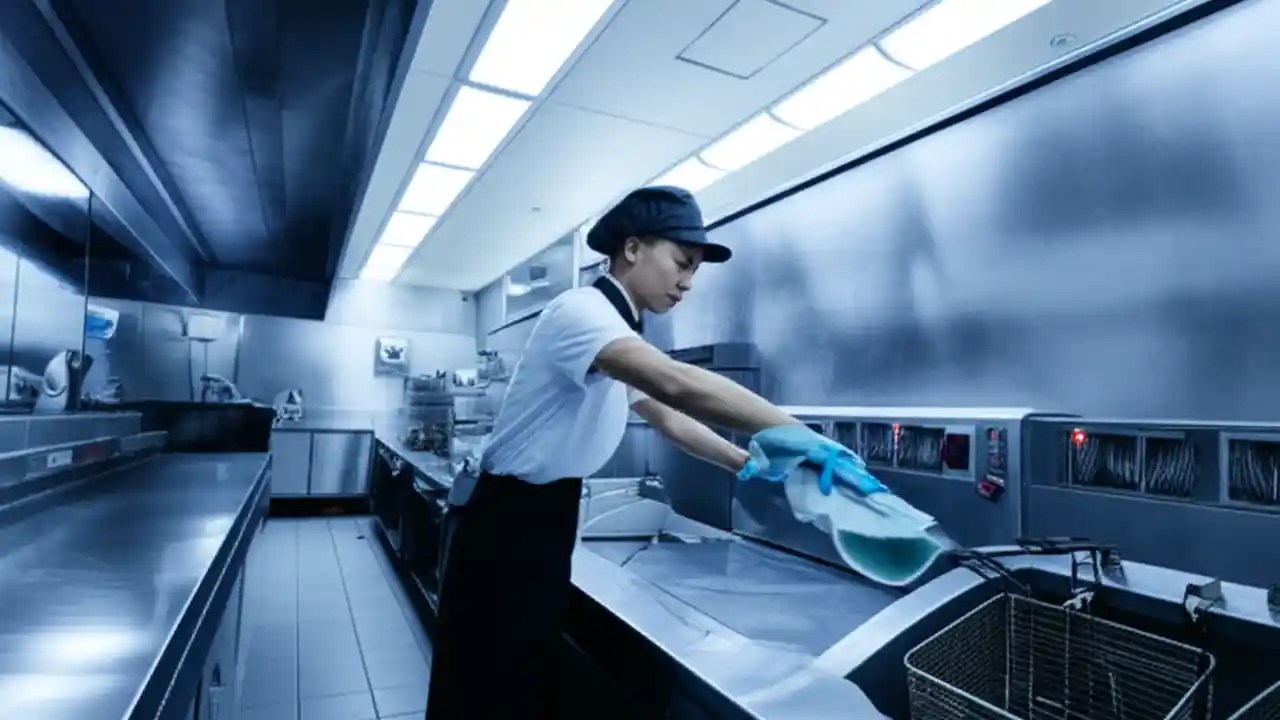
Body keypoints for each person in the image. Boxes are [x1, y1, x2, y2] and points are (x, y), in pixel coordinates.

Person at [424, 185, 850, 718]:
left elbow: (667, 417)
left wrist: (745, 465)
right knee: (483, 688)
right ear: (632, 249)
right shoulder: (580, 313)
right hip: (507, 524)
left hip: (544, 518)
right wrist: (806, 438)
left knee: (519, 681)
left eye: (694, 270)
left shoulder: (616, 331)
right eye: (681, 262)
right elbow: (674, 384)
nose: (688, 283)